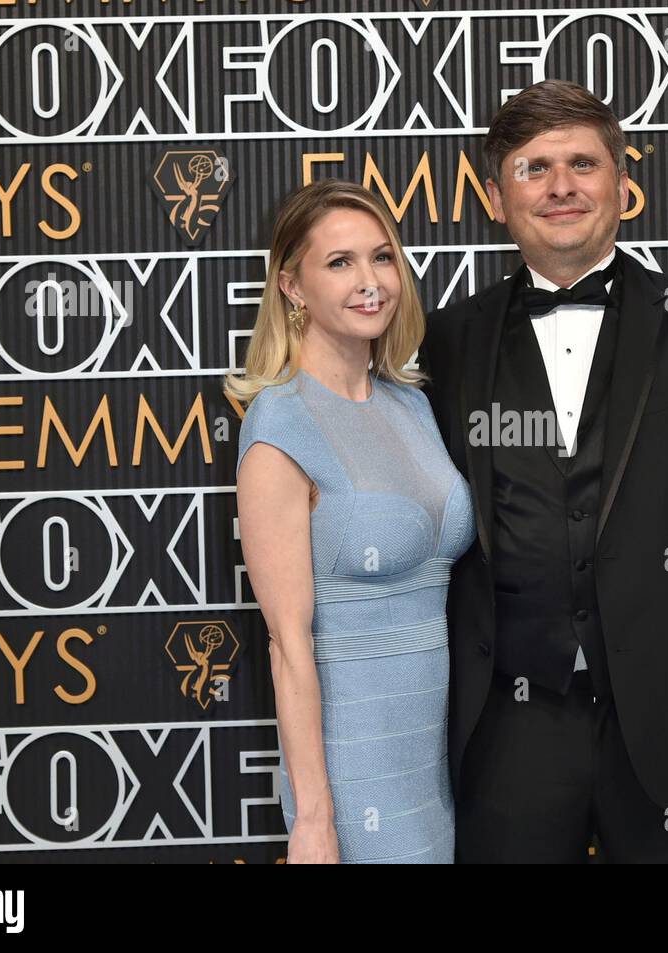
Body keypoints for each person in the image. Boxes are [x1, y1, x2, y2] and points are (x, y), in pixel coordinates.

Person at [418, 80, 668, 863]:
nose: (561, 186)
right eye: (534, 168)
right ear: (496, 197)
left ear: (623, 184)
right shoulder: (449, 339)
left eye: (583, 163)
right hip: (507, 733)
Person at [228, 180, 475, 863]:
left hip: (435, 765)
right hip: (352, 769)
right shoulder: (280, 421)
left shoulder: (413, 405)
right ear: (293, 286)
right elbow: (287, 643)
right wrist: (313, 817)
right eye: (340, 263)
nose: (370, 282)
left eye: (382, 257)